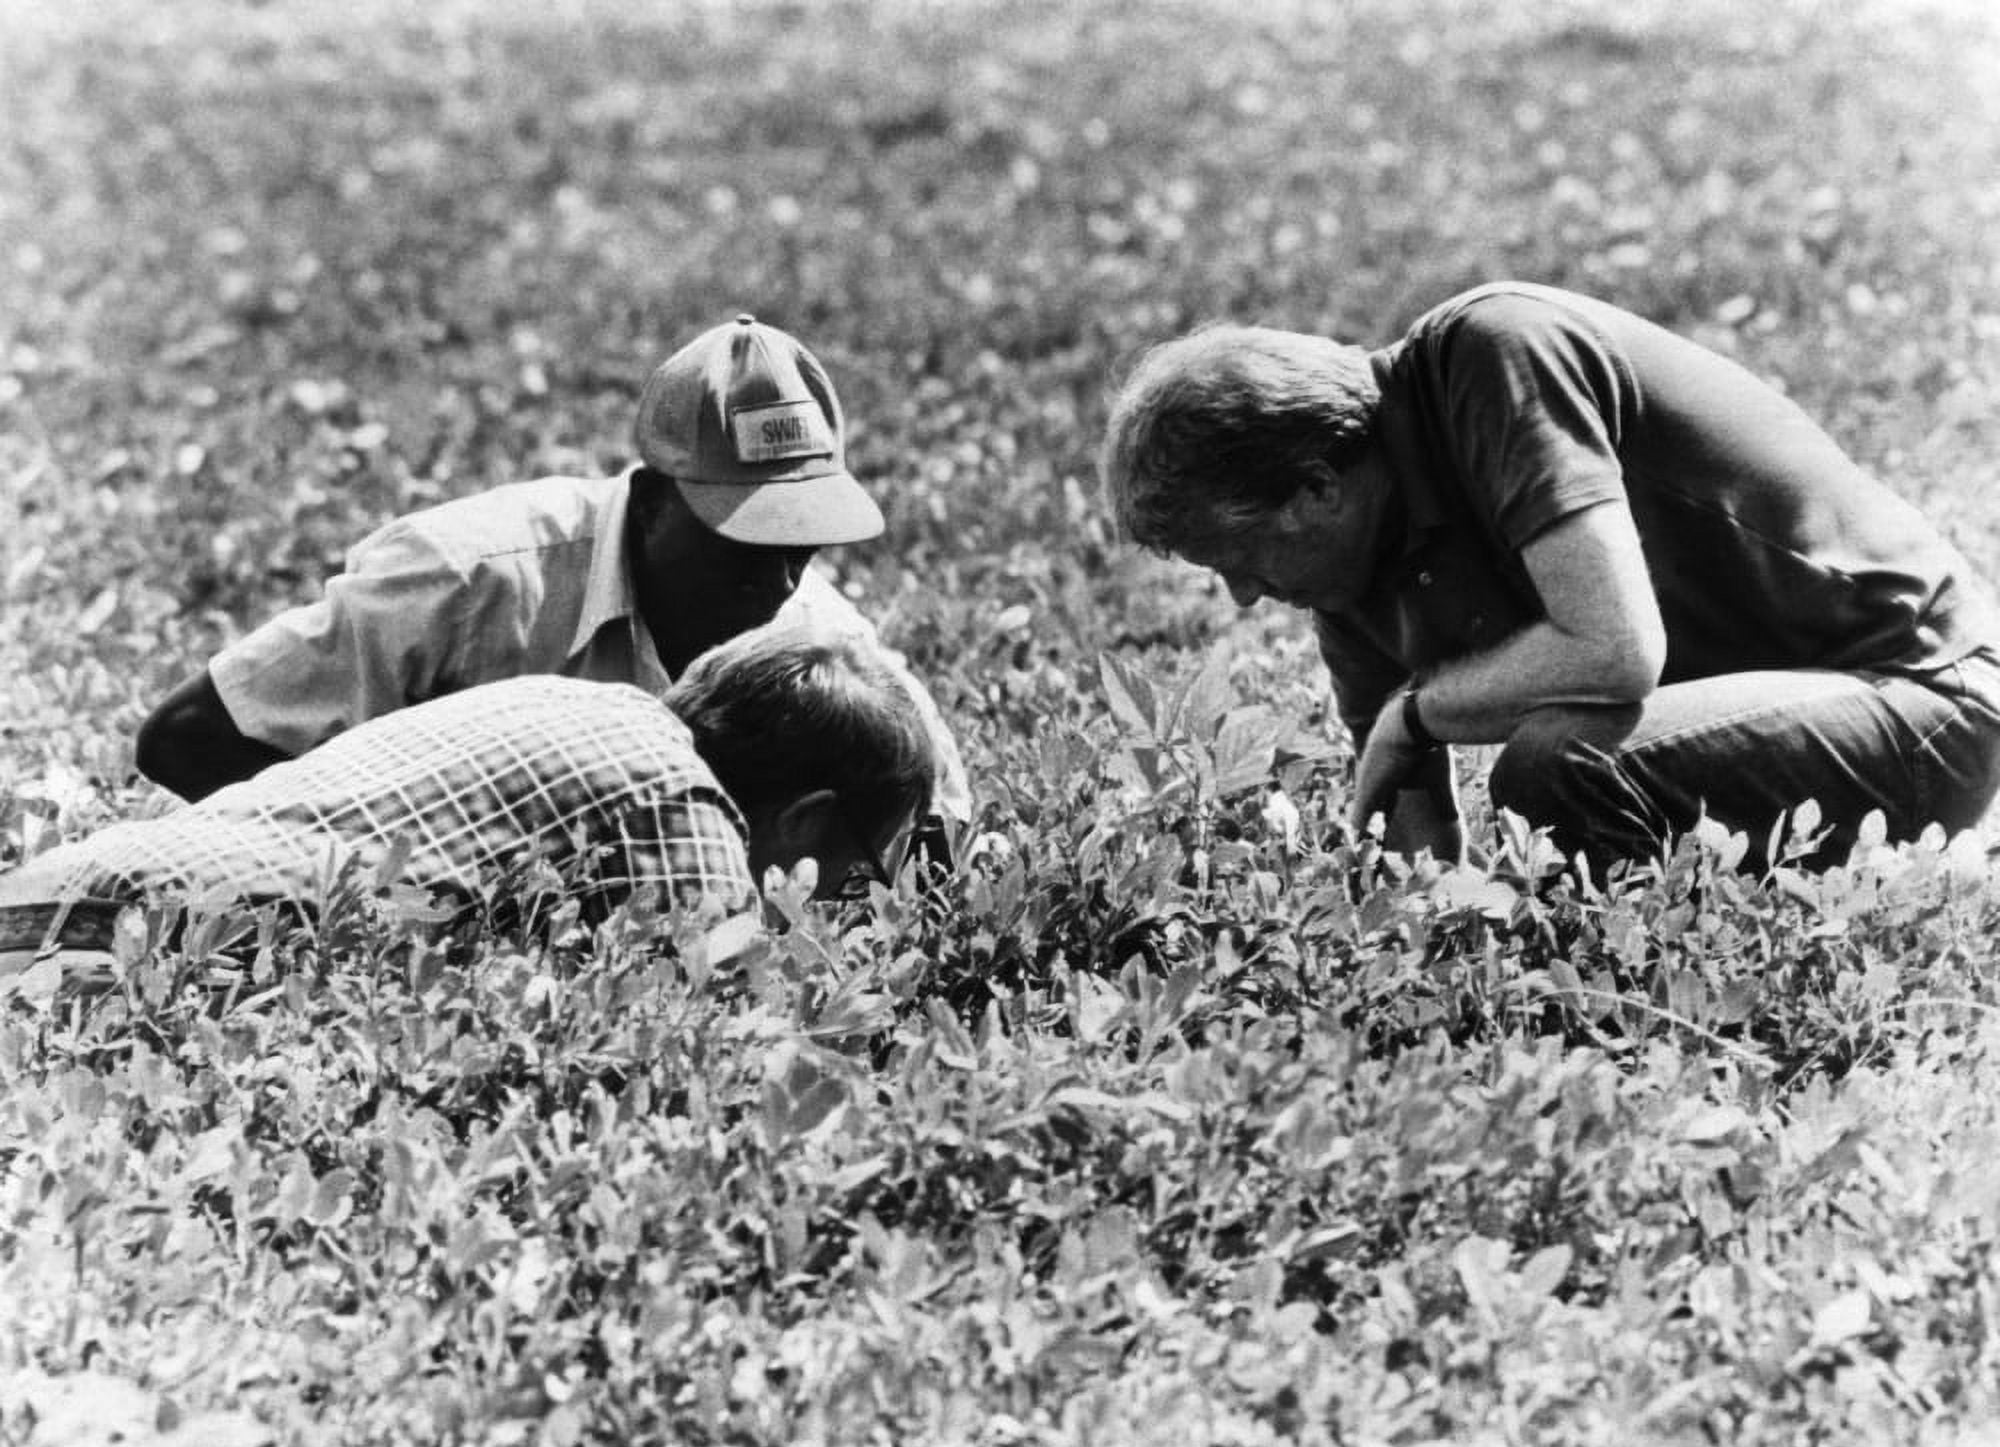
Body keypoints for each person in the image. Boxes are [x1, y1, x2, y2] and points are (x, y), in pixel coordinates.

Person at [1099, 281, 2000, 872]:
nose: (1245, 595)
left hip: (1927, 692)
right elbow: (1411, 836)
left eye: (1240, 560)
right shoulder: (1349, 563)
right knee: (1559, 780)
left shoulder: (1491, 357)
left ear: (1317, 488)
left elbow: (1613, 650)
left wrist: (1418, 714)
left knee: (1554, 772)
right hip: (1802, 716)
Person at [133, 313, 971, 829]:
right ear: (649, 501)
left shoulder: (819, 637)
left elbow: (944, 825)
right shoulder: (466, 577)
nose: (779, 580)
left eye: (802, 544)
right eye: (739, 543)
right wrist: (389, 855)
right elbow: (181, 739)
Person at [0, 625, 935, 976]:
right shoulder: (684, 802)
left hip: (55, 899)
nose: (841, 896)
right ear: (809, 820)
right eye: (859, 869)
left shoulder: (577, 701)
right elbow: (710, 1028)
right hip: (110, 961)